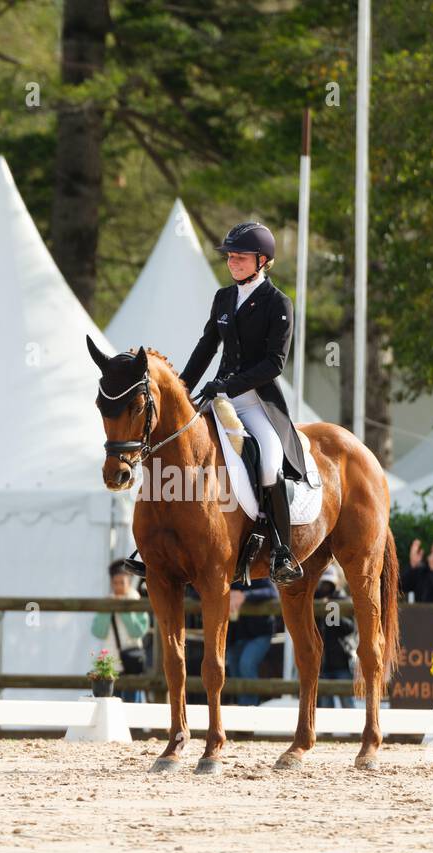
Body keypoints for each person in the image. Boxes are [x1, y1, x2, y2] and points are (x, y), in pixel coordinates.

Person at [179, 221, 309, 585]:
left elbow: (274, 363)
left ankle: (282, 549)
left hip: (255, 403)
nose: (232, 262)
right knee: (178, 448)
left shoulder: (277, 303)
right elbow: (207, 346)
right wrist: (182, 386)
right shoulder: (223, 297)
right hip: (218, 398)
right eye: (230, 257)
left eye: (240, 257)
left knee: (269, 465)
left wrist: (228, 384)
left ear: (262, 260)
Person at [90, 559, 151, 703]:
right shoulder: (107, 602)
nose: (118, 587)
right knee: (111, 703)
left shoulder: (136, 601)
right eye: (115, 583)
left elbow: (138, 631)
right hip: (111, 663)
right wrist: (109, 609)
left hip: (131, 661)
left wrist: (123, 608)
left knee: (132, 705)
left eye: (121, 583)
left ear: (129, 582)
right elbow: (98, 632)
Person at [225, 577, 279, 705]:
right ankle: (243, 707)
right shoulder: (228, 573)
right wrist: (226, 595)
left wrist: (244, 595)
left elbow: (272, 592)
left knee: (247, 663)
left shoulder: (258, 570)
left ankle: (248, 709)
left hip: (260, 633)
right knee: (235, 672)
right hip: (235, 635)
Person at [315, 564, 358, 708]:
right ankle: (326, 731)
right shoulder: (315, 600)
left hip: (342, 662)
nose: (326, 587)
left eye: (329, 583)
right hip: (323, 663)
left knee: (348, 703)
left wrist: (332, 613)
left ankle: (354, 731)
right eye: (323, 583)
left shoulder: (343, 600)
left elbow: (349, 628)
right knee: (326, 706)